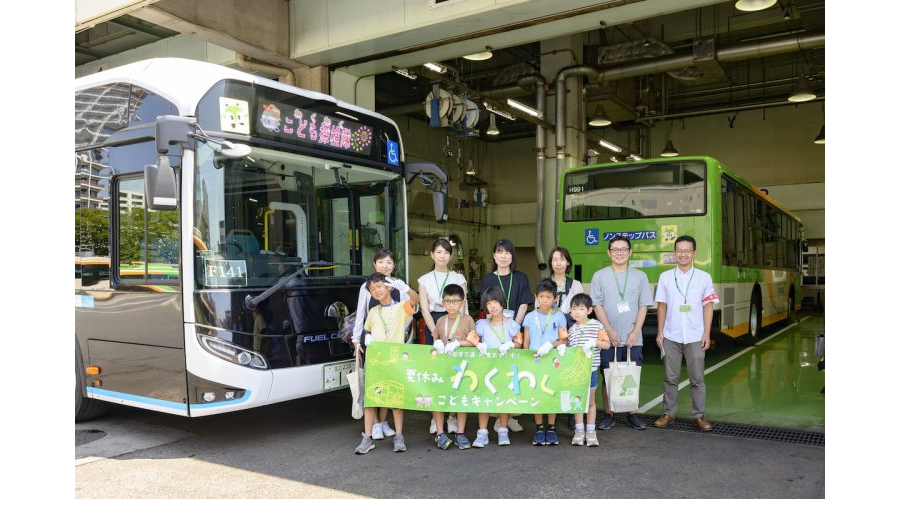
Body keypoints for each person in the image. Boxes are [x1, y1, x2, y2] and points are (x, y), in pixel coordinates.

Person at [654, 235, 719, 432]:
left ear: (694, 253)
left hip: (695, 335)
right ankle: (669, 414)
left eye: (687, 251)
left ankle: (699, 416)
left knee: (697, 379)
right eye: (679, 251)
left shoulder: (704, 277)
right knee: (670, 377)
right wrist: (660, 332)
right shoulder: (665, 277)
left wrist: (706, 333)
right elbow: (662, 306)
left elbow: (708, 307)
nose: (683, 254)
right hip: (671, 335)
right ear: (674, 253)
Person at [590, 235, 654, 431]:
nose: (619, 253)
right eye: (615, 249)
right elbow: (596, 305)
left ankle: (632, 413)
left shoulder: (640, 276)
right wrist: (609, 331)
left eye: (623, 249)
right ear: (609, 253)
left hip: (633, 337)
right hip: (607, 337)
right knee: (608, 374)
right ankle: (609, 413)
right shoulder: (599, 276)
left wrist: (635, 332)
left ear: (630, 252)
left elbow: (643, 306)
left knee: (631, 374)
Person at [354, 273, 420, 454]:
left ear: (389, 287)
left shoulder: (400, 307)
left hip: (395, 361)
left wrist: (405, 288)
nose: (376, 291)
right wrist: (366, 337)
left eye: (379, 286)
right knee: (370, 400)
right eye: (372, 289)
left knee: (396, 400)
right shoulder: (373, 311)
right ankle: (367, 438)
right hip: (375, 361)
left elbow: (416, 300)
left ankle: (399, 436)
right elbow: (367, 330)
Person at [351, 249, 410, 441]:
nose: (385, 266)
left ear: (394, 265)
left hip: (394, 343)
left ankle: (383, 421)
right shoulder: (366, 287)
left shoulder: (398, 285)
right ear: (374, 264)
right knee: (373, 383)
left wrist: (401, 331)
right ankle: (375, 424)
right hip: (371, 340)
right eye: (381, 262)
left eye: (389, 262)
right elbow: (360, 313)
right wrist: (356, 339)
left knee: (388, 382)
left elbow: (409, 311)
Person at [478, 239, 531, 433]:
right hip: (494, 328)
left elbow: (524, 303)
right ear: (494, 256)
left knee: (513, 375)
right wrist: (498, 325)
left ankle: (511, 417)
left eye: (507, 252)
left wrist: (513, 327)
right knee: (494, 375)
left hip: (513, 329)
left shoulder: (521, 277)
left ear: (512, 256)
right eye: (499, 252)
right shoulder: (488, 279)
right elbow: (487, 306)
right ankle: (497, 417)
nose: (503, 256)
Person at [418, 239, 468, 436]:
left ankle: (452, 416)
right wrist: (435, 333)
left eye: (446, 252)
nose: (442, 255)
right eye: (438, 252)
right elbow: (424, 308)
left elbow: (463, 305)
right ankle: (435, 416)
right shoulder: (424, 279)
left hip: (456, 322)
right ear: (432, 254)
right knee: (437, 372)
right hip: (434, 322)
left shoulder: (458, 277)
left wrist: (460, 328)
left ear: (450, 255)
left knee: (455, 371)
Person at [472, 286, 523, 447]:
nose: (492, 306)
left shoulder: (512, 324)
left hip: (505, 368)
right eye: (488, 303)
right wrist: (478, 344)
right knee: (483, 398)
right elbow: (472, 338)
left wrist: (510, 344)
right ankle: (482, 433)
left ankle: (503, 430)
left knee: (504, 398)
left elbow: (519, 343)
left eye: (495, 302)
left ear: (502, 302)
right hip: (486, 368)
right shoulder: (481, 324)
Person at [430, 283, 477, 450]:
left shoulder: (468, 320)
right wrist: (436, 343)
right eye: (447, 301)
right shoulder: (440, 320)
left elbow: (474, 342)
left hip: (462, 368)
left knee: (460, 398)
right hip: (442, 367)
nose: (451, 305)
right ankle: (440, 433)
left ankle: (460, 433)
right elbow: (435, 339)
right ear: (443, 302)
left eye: (455, 301)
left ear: (462, 302)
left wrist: (458, 343)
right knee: (438, 397)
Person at [523, 279, 568, 446]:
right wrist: (526, 358)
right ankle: (539, 427)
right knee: (537, 393)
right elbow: (526, 342)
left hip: (552, 359)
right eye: (541, 296)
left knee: (551, 391)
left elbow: (563, 340)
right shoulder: (529, 316)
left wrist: (551, 345)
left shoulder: (559, 316)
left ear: (555, 299)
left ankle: (551, 427)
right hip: (534, 360)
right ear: (536, 297)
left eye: (548, 297)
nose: (544, 300)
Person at [566, 293, 611, 447]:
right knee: (577, 400)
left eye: (581, 309)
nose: (577, 312)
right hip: (576, 371)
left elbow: (607, 344)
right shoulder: (572, 329)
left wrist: (594, 342)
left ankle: (591, 431)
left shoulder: (597, 325)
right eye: (574, 309)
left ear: (589, 310)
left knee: (590, 402)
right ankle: (579, 431)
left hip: (591, 370)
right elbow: (569, 350)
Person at [538, 246, 584, 321]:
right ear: (551, 263)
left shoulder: (576, 285)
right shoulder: (544, 284)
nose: (558, 263)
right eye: (555, 260)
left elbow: (581, 310)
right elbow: (538, 308)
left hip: (571, 325)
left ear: (568, 262)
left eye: (562, 259)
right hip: (547, 325)